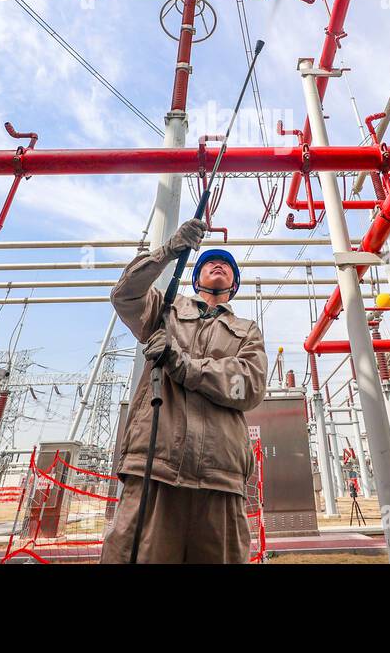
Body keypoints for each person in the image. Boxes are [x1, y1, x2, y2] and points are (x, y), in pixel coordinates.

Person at [100, 217, 268, 563]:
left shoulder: (246, 330)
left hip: (220, 476)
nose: (218, 264)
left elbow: (248, 385)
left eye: (226, 265)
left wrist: (184, 365)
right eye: (209, 262)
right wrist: (168, 250)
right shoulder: (166, 311)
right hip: (155, 467)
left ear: (233, 284)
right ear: (196, 277)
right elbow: (124, 295)